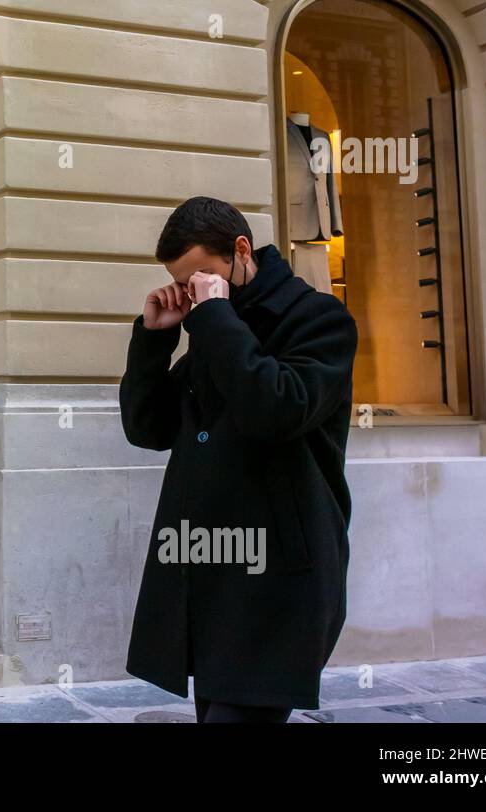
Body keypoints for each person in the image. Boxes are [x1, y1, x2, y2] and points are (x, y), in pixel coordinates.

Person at [118, 197, 357, 722]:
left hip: (280, 580)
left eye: (202, 275)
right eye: (184, 283)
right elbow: (148, 429)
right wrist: (156, 341)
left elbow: (277, 409)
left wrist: (214, 318)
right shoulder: (214, 332)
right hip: (209, 570)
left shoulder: (318, 319)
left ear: (241, 251)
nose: (193, 291)